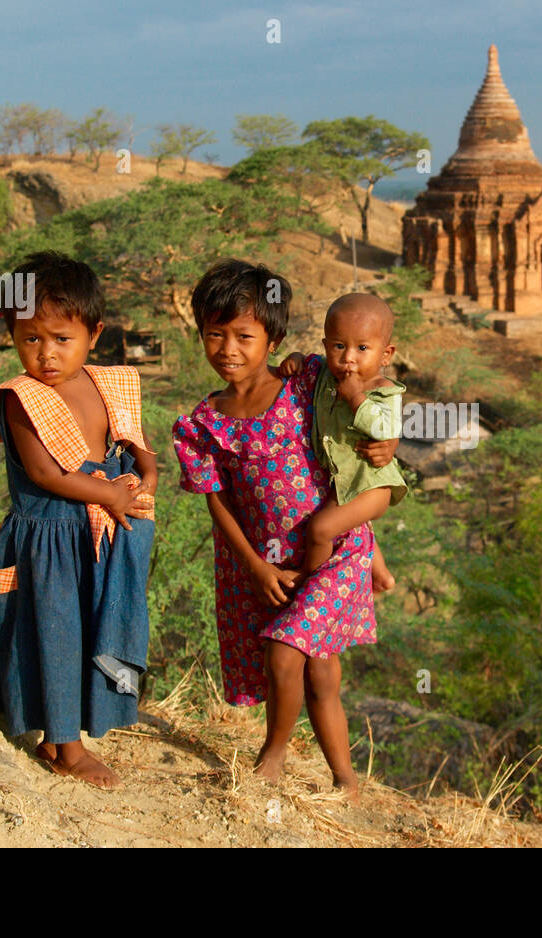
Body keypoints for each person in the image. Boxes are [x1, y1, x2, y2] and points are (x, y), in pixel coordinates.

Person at [171, 260, 397, 800]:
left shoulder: (306, 385)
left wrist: (388, 445)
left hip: (333, 552)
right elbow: (216, 502)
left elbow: (361, 426)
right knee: (317, 675)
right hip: (268, 566)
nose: (228, 348)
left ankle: (272, 755)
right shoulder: (203, 423)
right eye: (214, 334)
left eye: (244, 336)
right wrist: (253, 565)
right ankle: (347, 782)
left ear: (273, 337)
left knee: (283, 654)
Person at [0, 251, 155, 791]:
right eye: (31, 339)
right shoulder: (21, 399)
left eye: (61, 339)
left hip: (94, 538)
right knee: (53, 635)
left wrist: (146, 468)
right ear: (11, 332)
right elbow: (45, 473)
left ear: (92, 333)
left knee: (94, 631)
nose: (46, 354)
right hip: (46, 540)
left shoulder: (105, 385)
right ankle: (65, 749)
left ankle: (74, 729)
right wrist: (107, 494)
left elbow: (131, 439)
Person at [278, 293, 407, 592]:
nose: (348, 357)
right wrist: (297, 359)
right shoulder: (325, 373)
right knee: (350, 523)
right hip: (345, 482)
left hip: (373, 484)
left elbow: (386, 427)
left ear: (386, 355)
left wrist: (355, 397)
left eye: (362, 348)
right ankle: (382, 575)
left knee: (321, 529)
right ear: (325, 346)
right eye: (339, 346)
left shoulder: (384, 390)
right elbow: (308, 364)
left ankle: (310, 584)